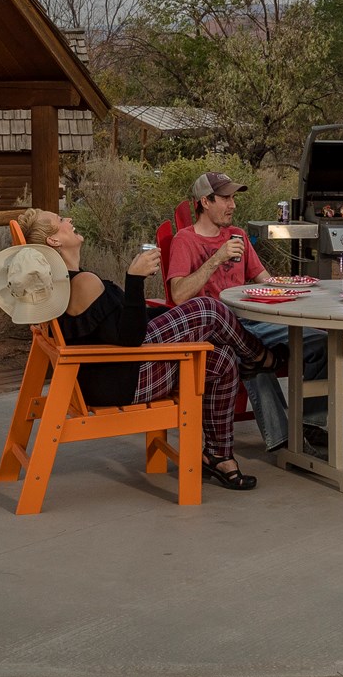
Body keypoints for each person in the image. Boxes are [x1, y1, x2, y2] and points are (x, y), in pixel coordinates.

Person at [15, 207, 270, 490]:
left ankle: (218, 456)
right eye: (61, 221)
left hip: (116, 370)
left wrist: (166, 317)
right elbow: (129, 338)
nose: (70, 220)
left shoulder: (73, 279)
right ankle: (261, 356)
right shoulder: (83, 283)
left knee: (222, 359)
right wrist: (134, 279)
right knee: (207, 308)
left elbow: (120, 328)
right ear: (54, 241)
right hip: (121, 378)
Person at [165, 170, 330, 453]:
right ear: (205, 201)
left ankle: (311, 424)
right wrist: (216, 259)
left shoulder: (237, 235)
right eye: (226, 198)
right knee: (253, 356)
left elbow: (264, 279)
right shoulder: (185, 240)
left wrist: (299, 289)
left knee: (319, 340)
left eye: (233, 198)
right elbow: (179, 294)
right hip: (216, 330)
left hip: (253, 320)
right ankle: (284, 442)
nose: (233, 205)